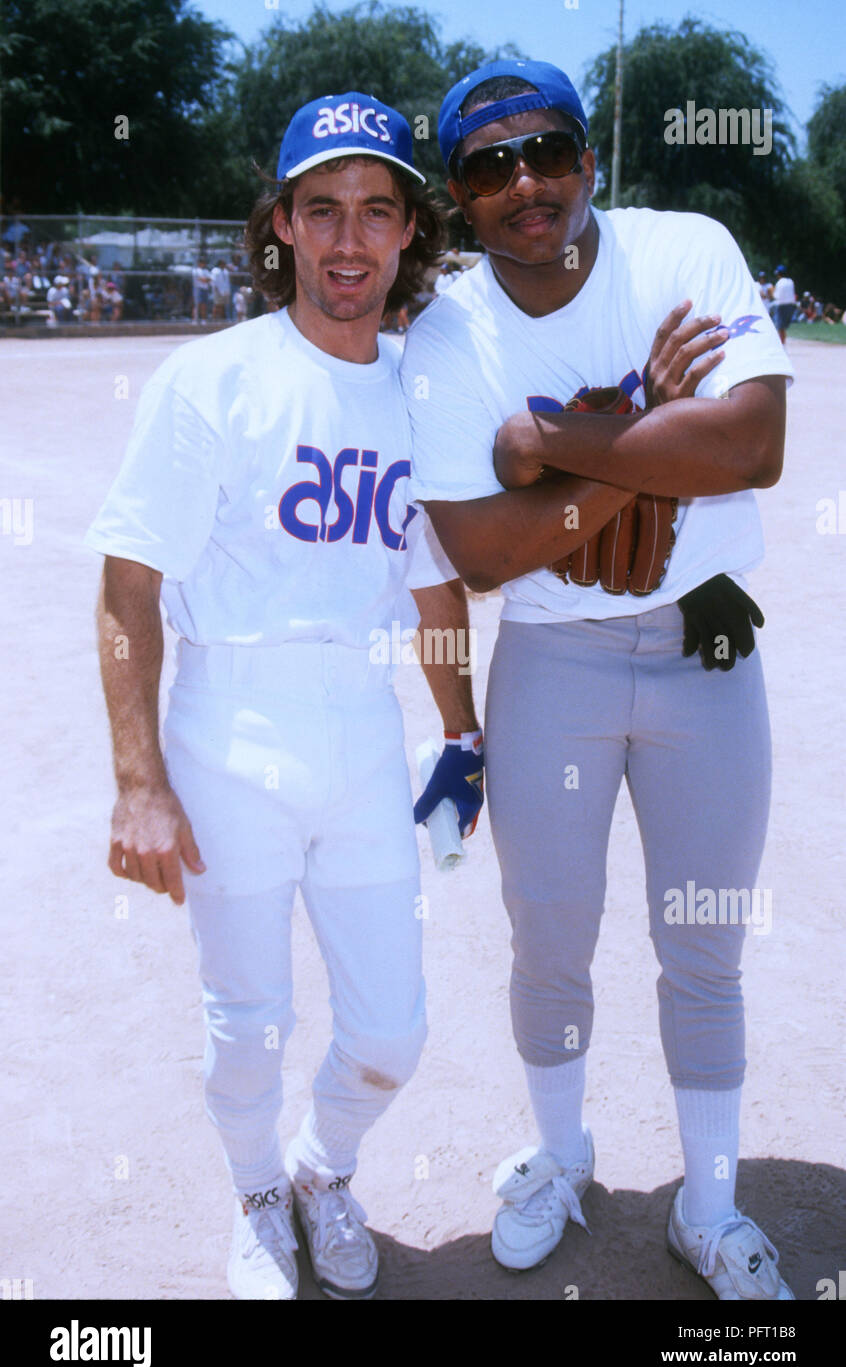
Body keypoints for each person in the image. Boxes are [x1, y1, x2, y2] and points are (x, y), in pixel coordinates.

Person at [400, 58, 794, 1301]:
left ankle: (712, 1204)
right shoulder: (451, 324)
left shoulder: (684, 248)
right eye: (488, 164)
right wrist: (652, 435)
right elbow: (480, 547)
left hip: (705, 647)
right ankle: (562, 1155)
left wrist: (544, 443)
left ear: (589, 156)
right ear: (460, 195)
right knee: (550, 937)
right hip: (554, 659)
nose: (526, 182)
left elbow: (756, 444)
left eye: (549, 149)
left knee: (705, 944)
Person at [85, 91, 484, 1302]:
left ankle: (322, 1168)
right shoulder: (213, 379)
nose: (350, 241)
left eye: (377, 212)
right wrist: (140, 780)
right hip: (230, 734)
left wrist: (465, 735)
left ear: (411, 230)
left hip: (363, 739)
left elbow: (435, 587)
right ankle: (259, 1193)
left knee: (391, 1030)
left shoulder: (424, 388)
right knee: (248, 1018)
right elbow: (128, 586)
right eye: (323, 211)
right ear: (284, 227)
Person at [771, 264, 796, 344]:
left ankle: (782, 344)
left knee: (780, 327)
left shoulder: (779, 283)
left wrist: (771, 292)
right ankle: (783, 342)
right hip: (791, 306)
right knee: (783, 327)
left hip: (781, 306)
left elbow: (776, 296)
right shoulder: (791, 281)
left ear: (778, 274)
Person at [192, 255, 213, 322]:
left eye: (204, 262)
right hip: (198, 289)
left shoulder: (206, 271)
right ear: (198, 263)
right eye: (202, 262)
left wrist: (205, 279)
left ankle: (203, 320)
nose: (203, 263)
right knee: (197, 305)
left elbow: (209, 279)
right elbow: (201, 279)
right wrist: (205, 279)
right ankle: (194, 319)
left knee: (204, 305)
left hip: (205, 289)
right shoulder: (195, 270)